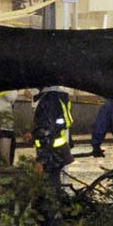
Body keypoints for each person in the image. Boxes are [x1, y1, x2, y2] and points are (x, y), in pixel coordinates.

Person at [32, 84, 74, 216]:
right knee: (54, 187)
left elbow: (47, 132)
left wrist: (41, 161)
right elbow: (56, 127)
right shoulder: (59, 98)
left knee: (50, 191)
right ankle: (56, 219)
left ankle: (54, 223)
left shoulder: (48, 100)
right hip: (58, 152)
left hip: (51, 154)